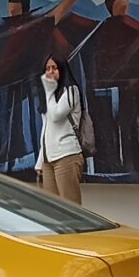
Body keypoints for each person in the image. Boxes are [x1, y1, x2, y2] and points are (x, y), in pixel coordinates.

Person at [38, 53, 89, 205]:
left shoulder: (71, 90)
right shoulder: (50, 96)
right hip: (49, 158)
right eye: (47, 69)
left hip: (67, 155)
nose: (50, 72)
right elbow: (46, 129)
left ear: (62, 70)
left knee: (70, 206)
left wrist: (49, 90)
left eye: (54, 68)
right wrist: (41, 159)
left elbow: (56, 115)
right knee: (52, 208)